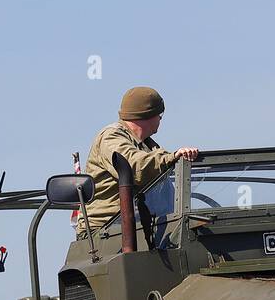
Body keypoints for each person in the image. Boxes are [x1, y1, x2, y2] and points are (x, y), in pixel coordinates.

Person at [82, 86, 199, 235]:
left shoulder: (148, 146)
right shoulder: (111, 136)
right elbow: (133, 167)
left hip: (140, 226)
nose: (161, 119)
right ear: (148, 115)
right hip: (105, 232)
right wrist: (172, 157)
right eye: (160, 114)